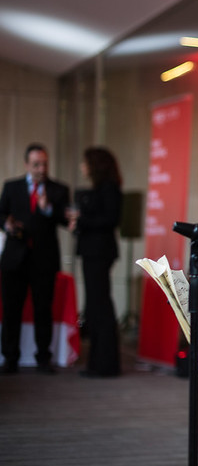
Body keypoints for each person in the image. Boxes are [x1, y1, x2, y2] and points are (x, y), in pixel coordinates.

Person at [0, 143, 70, 374]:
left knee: (43, 310)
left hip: (44, 260)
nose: (41, 169)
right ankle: (10, 357)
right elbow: (1, 214)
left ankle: (43, 358)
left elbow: (65, 220)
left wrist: (47, 208)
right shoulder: (11, 187)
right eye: (36, 164)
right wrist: (7, 225)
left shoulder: (58, 189)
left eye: (44, 164)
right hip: (15, 259)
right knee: (11, 310)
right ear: (26, 164)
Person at [67, 147, 123, 378]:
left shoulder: (109, 188)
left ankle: (105, 364)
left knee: (100, 306)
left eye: (85, 162)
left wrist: (81, 220)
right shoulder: (101, 189)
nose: (82, 167)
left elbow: (110, 219)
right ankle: (98, 362)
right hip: (93, 252)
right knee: (95, 306)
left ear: (95, 165)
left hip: (99, 253)